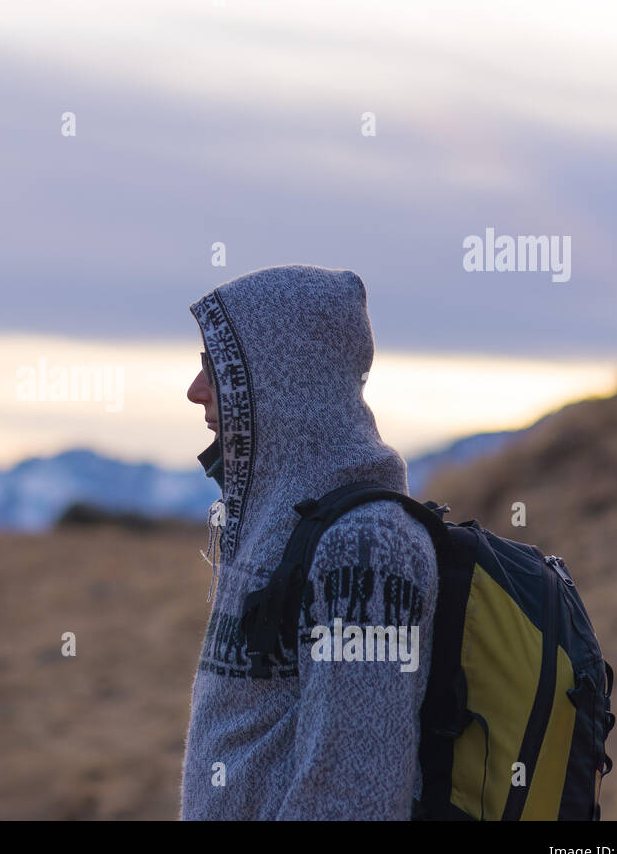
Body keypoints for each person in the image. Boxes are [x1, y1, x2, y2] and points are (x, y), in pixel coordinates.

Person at [179, 264, 438, 820]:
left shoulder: (366, 549)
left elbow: (355, 798)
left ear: (281, 377)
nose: (196, 390)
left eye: (215, 366)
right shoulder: (284, 526)